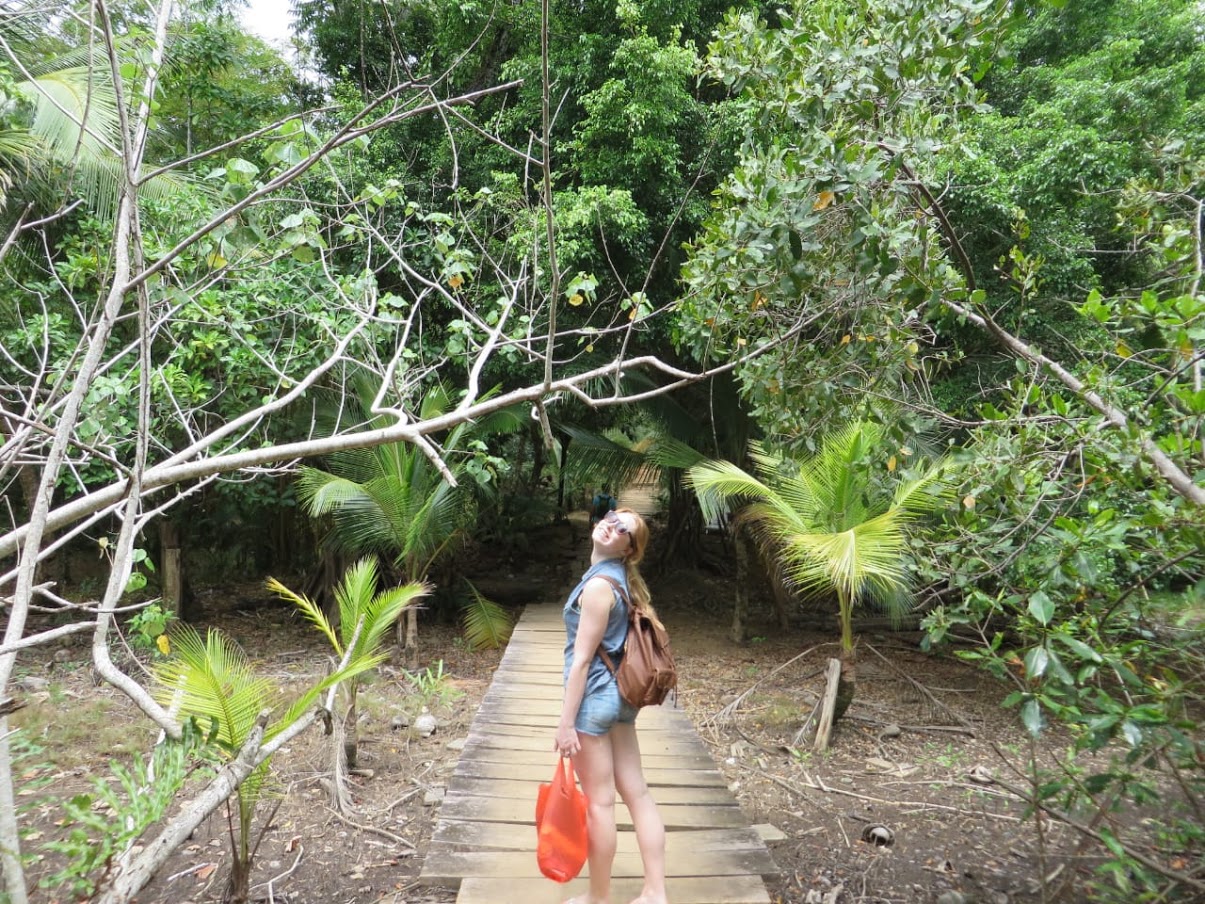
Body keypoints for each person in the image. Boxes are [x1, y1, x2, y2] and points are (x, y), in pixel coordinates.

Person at [554, 507, 668, 904]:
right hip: (620, 700)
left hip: (595, 703)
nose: (611, 526)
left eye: (623, 529)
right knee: (637, 794)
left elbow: (582, 661)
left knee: (600, 803)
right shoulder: (619, 579)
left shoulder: (600, 586)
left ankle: (598, 898)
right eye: (611, 517)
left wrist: (566, 724)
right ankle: (655, 892)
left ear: (628, 550)